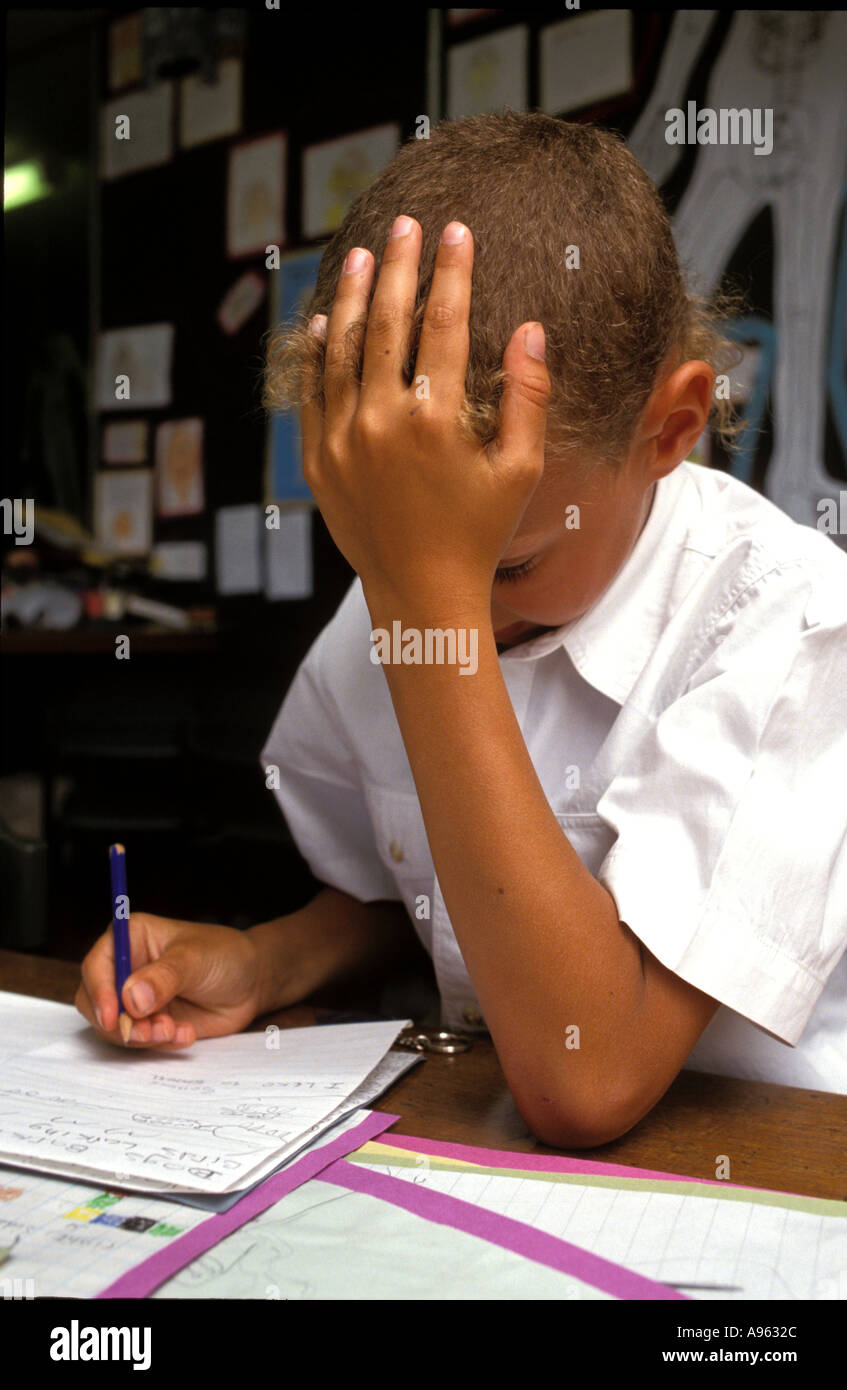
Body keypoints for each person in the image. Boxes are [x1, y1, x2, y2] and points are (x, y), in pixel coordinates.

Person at [76, 113, 847, 1147]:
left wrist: (427, 609)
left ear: (669, 429)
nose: (466, 608)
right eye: (390, 555)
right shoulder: (408, 575)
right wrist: (268, 960)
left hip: (766, 1176)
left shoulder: (790, 623)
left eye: (512, 563)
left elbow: (588, 1069)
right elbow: (412, 893)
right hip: (497, 1163)